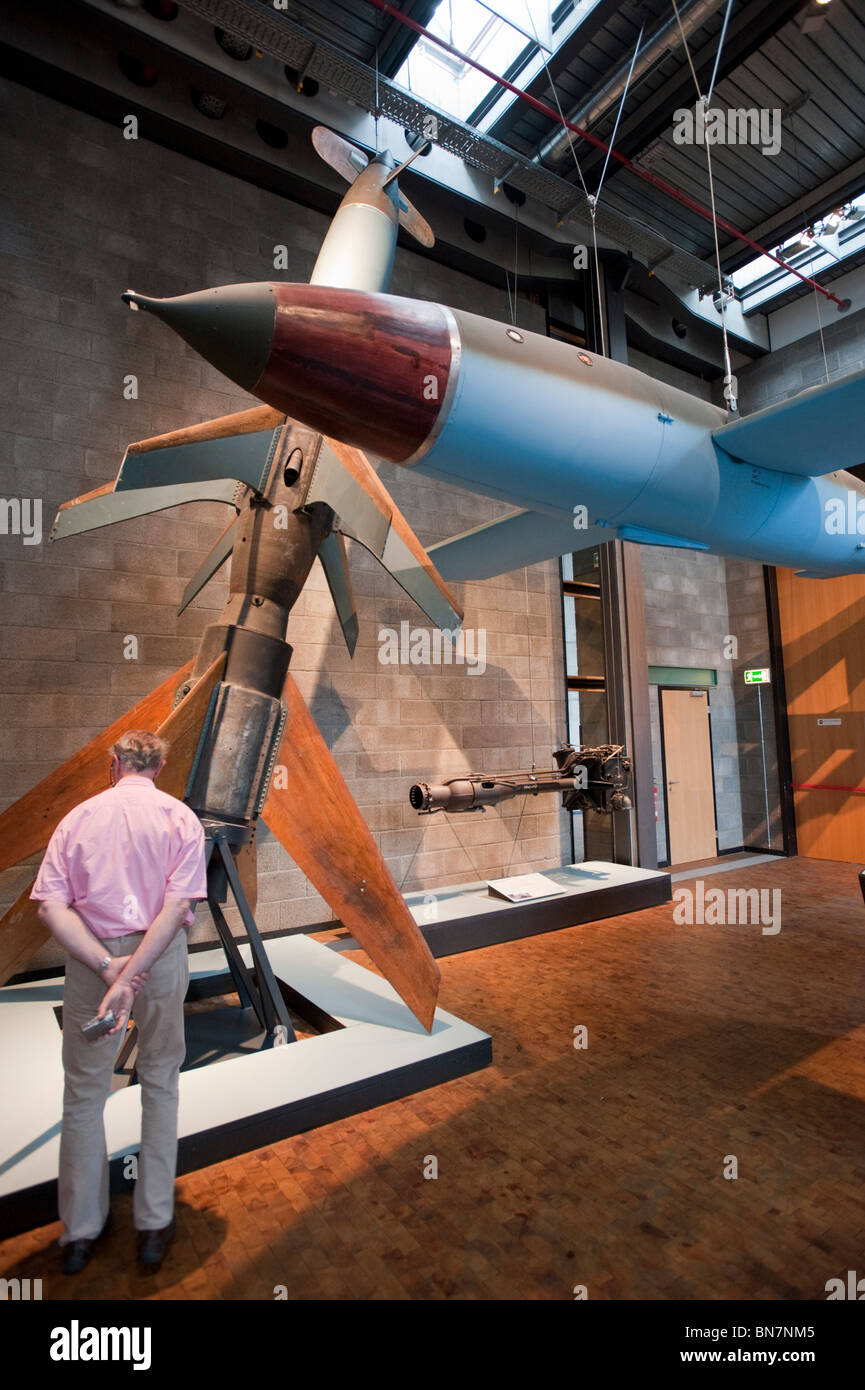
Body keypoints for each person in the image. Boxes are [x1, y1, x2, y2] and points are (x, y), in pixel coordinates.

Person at [31, 729, 207, 1276]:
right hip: (158, 961)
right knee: (160, 1080)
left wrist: (109, 968)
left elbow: (50, 909)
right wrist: (133, 976)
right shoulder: (182, 819)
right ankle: (154, 1224)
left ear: (113, 765)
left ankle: (80, 1233)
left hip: (92, 963)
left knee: (84, 1095)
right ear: (158, 768)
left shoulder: (77, 819)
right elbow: (178, 908)